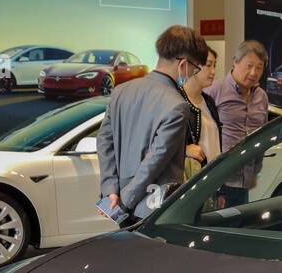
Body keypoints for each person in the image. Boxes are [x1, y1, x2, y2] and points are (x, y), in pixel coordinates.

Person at [96, 25, 205, 224]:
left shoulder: (121, 91)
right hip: (153, 208)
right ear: (183, 64)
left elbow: (104, 142)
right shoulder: (177, 105)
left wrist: (110, 191)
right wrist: (125, 202)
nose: (193, 74)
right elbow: (155, 161)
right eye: (195, 68)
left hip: (117, 203)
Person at [206, 40, 268, 206]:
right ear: (235, 61)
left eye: (259, 67)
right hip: (218, 182)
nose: (254, 73)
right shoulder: (214, 90)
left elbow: (263, 137)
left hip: (245, 182)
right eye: (249, 66)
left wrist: (255, 171)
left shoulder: (261, 96)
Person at [181, 42, 222, 180]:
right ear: (193, 66)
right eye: (208, 65)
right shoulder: (176, 102)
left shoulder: (209, 102)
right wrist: (184, 150)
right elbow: (157, 145)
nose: (213, 71)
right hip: (192, 184)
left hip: (214, 181)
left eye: (214, 66)